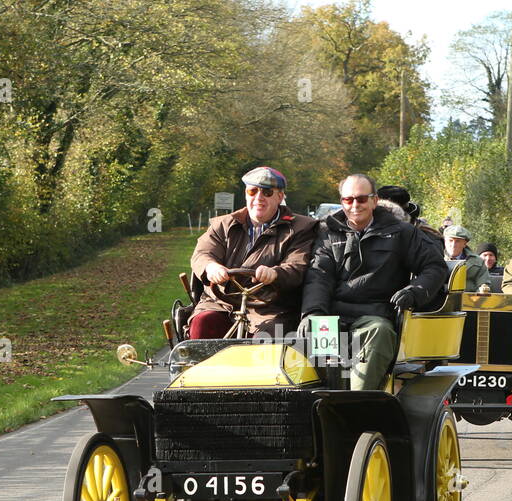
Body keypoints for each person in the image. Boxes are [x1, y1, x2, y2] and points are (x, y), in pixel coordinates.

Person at [300, 173, 448, 390]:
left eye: (361, 199)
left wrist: (415, 292)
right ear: (341, 201)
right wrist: (313, 313)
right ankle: (322, 401)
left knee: (379, 331)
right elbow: (318, 277)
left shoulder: (401, 232)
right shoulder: (327, 233)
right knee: (310, 329)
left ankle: (358, 402)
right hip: (332, 315)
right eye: (348, 199)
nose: (354, 205)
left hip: (375, 315)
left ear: (374, 200)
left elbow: (434, 267)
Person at [188, 166, 317, 338]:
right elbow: (202, 254)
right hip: (220, 302)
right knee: (203, 324)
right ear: (245, 194)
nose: (258, 198)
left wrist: (275, 273)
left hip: (270, 307)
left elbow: (297, 265)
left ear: (280, 197)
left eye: (267, 192)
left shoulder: (301, 227)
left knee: (269, 337)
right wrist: (211, 268)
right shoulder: (223, 225)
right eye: (252, 191)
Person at [442, 225, 491, 292]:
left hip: (469, 300)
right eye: (450, 240)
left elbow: (483, 285)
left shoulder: (478, 262)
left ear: (464, 244)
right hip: (441, 300)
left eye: (458, 241)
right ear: (445, 242)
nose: (453, 245)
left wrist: (474, 301)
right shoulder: (436, 258)